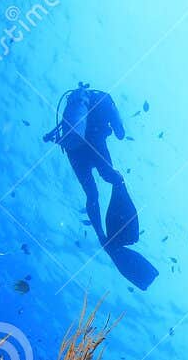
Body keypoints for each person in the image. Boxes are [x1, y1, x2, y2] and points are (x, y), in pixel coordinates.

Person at [43, 83, 128, 246]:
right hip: (95, 142)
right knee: (114, 178)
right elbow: (120, 134)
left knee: (92, 194)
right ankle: (122, 222)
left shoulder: (77, 103)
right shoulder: (106, 99)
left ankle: (101, 236)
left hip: (73, 149)